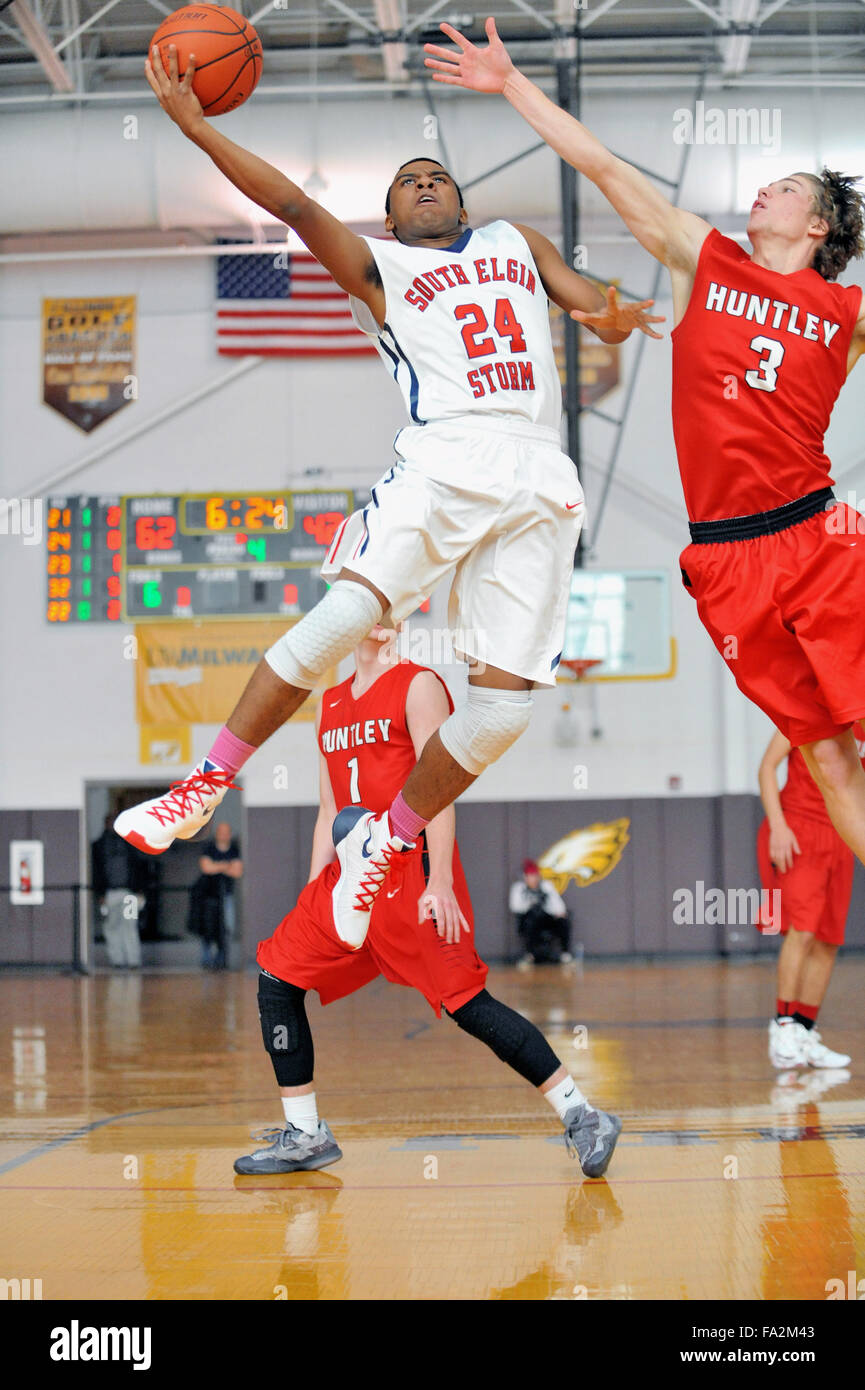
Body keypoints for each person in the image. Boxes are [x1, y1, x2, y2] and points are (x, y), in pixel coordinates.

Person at [115, 42, 664, 956]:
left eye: (436, 176)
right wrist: (197, 129)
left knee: (502, 709)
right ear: (388, 214)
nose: (423, 184)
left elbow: (581, 301)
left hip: (538, 471)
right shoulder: (377, 270)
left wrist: (606, 312)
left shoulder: (512, 244)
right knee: (345, 615)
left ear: (460, 199)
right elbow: (289, 204)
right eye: (407, 180)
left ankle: (385, 839)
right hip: (444, 461)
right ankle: (205, 782)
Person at [422, 20, 865, 873]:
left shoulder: (845, 314)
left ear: (817, 227)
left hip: (816, 539)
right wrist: (509, 83)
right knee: (828, 757)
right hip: (726, 562)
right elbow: (602, 165)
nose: (763, 193)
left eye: (783, 188)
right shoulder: (703, 257)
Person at [234, 619, 621, 1179]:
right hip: (347, 881)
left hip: (408, 875)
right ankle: (305, 1133)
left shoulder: (417, 685)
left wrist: (439, 879)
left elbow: (441, 786)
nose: (386, 618)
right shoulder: (330, 703)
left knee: (468, 1004)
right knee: (277, 977)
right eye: (374, 605)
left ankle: (583, 1116)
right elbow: (327, 808)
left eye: (395, 608)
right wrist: (316, 884)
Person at [757, 728, 858, 1070]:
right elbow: (767, 767)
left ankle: (804, 1029)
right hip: (799, 827)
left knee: (828, 940)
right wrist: (778, 825)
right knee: (803, 929)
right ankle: (782, 1024)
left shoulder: (859, 723)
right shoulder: (804, 712)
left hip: (842, 833)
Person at [91, 815, 142, 969]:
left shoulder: (130, 843)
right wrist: (100, 894)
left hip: (129, 893)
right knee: (111, 927)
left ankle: (133, 960)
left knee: (129, 926)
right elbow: (96, 871)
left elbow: (138, 868)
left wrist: (139, 890)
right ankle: (117, 960)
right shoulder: (99, 846)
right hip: (109, 894)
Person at [195, 822, 243, 970]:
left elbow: (237, 871)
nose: (224, 835)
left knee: (227, 927)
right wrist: (225, 866)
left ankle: (222, 958)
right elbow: (205, 867)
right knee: (208, 928)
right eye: (221, 832)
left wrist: (216, 866)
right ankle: (207, 958)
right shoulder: (209, 848)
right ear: (217, 834)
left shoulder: (234, 850)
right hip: (209, 897)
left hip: (226, 896)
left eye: (226, 832)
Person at [509, 858, 573, 968]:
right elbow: (515, 907)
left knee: (563, 921)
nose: (533, 879)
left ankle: (565, 955)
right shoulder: (519, 888)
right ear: (525, 877)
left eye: (535, 876)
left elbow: (558, 905)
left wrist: (558, 912)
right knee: (529, 921)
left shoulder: (546, 886)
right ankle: (530, 956)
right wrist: (529, 903)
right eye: (530, 876)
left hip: (546, 919)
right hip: (529, 920)